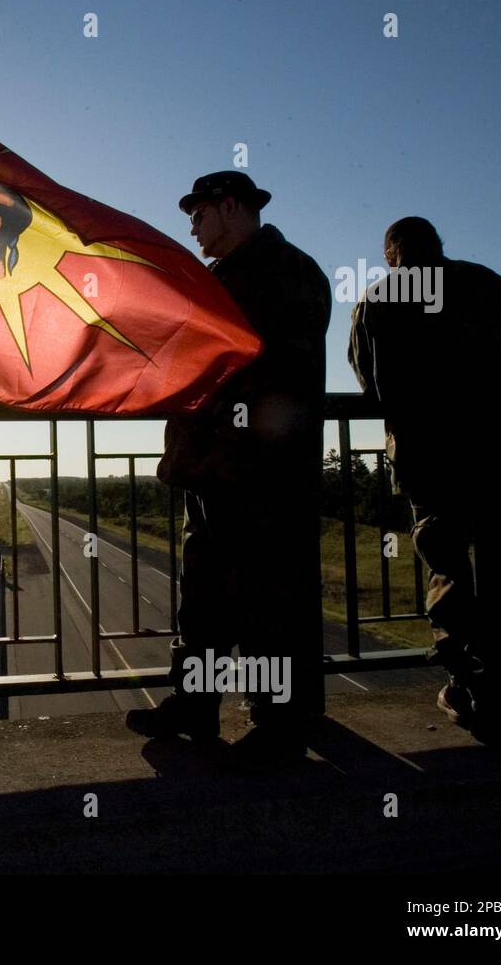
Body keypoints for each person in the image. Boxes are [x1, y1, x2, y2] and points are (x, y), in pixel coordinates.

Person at [128, 171, 331, 766]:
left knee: (268, 600)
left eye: (199, 213)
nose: (191, 224)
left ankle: (278, 726)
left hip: (261, 472)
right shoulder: (223, 279)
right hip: (212, 469)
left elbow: (273, 377)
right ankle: (195, 704)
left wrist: (227, 448)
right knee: (207, 597)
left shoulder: (286, 273)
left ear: (233, 208)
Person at [348, 216, 501, 742]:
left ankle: (467, 681)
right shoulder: (485, 283)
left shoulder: (378, 300)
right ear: (440, 246)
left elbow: (372, 385)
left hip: (433, 462)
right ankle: (497, 684)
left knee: (451, 571)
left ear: (391, 255)